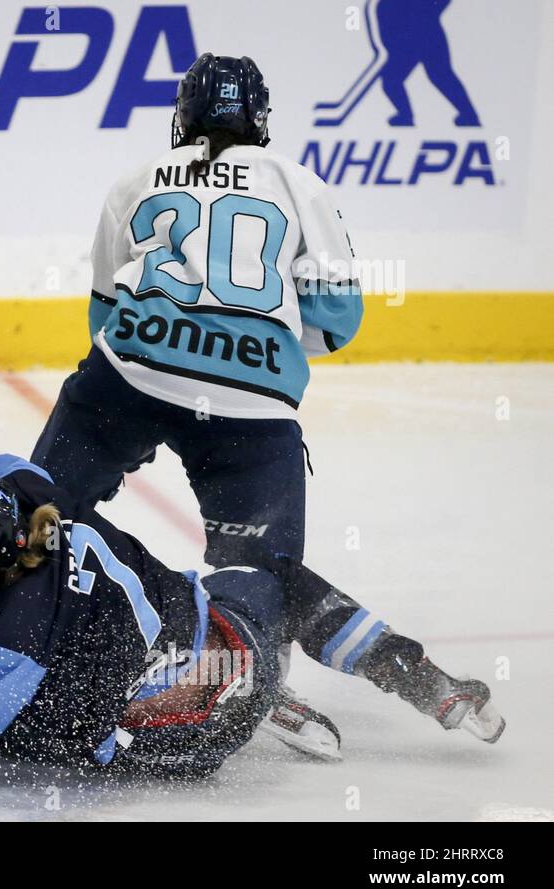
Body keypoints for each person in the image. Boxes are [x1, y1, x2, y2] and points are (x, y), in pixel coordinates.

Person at [23, 52, 390, 759]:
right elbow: (338, 321)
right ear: (259, 120)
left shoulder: (135, 180)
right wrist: (252, 344)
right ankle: (229, 667)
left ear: (183, 116)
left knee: (42, 512)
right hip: (251, 403)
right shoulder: (301, 184)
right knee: (256, 570)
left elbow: (103, 313)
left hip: (129, 375)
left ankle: (25, 632)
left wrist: (168, 342)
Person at [0, 456, 503, 787]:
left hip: (195, 732)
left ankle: (213, 705)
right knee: (271, 572)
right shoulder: (31, 494)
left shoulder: (20, 628)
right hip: (230, 643)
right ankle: (424, 679)